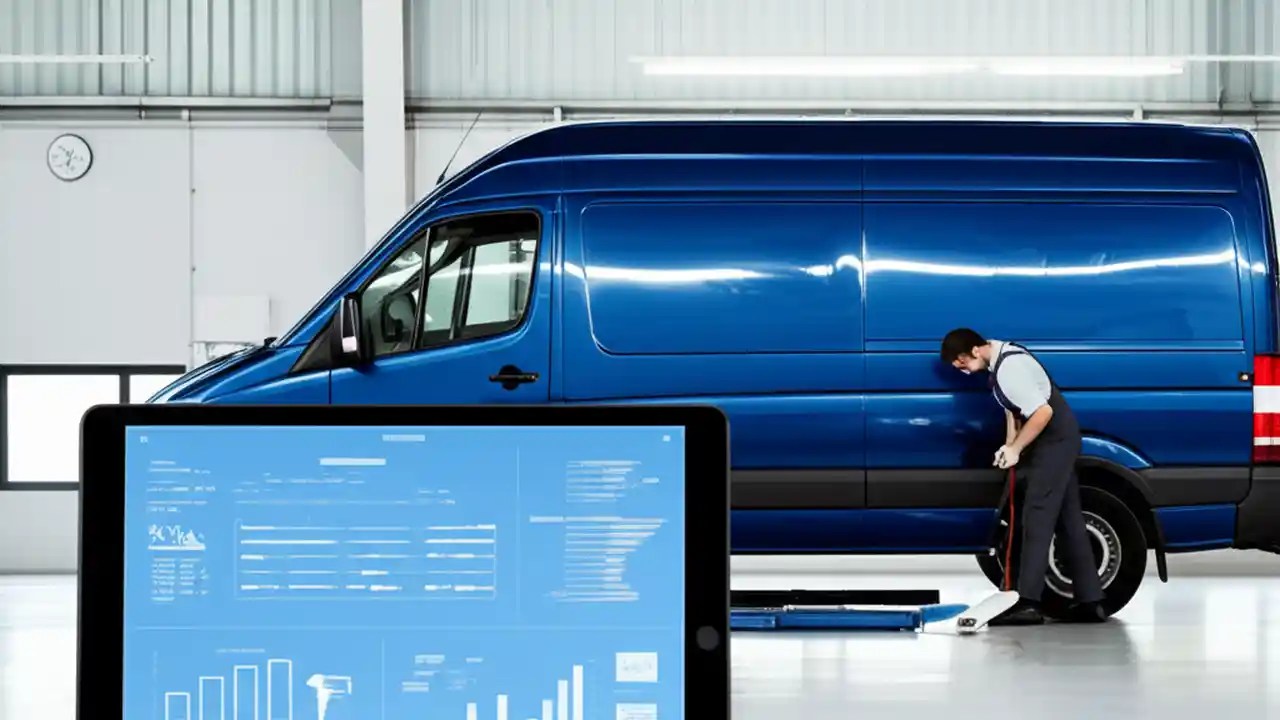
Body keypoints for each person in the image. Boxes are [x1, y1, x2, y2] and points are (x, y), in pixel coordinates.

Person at [940, 328, 1108, 625]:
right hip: (1052, 441)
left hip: (1054, 441)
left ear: (975, 350)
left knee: (1036, 516)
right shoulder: (1000, 362)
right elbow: (1013, 411)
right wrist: (1009, 448)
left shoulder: (1010, 368)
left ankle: (1028, 602)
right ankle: (1091, 602)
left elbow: (1042, 413)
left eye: (963, 363)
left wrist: (1018, 448)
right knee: (1068, 520)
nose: (964, 371)